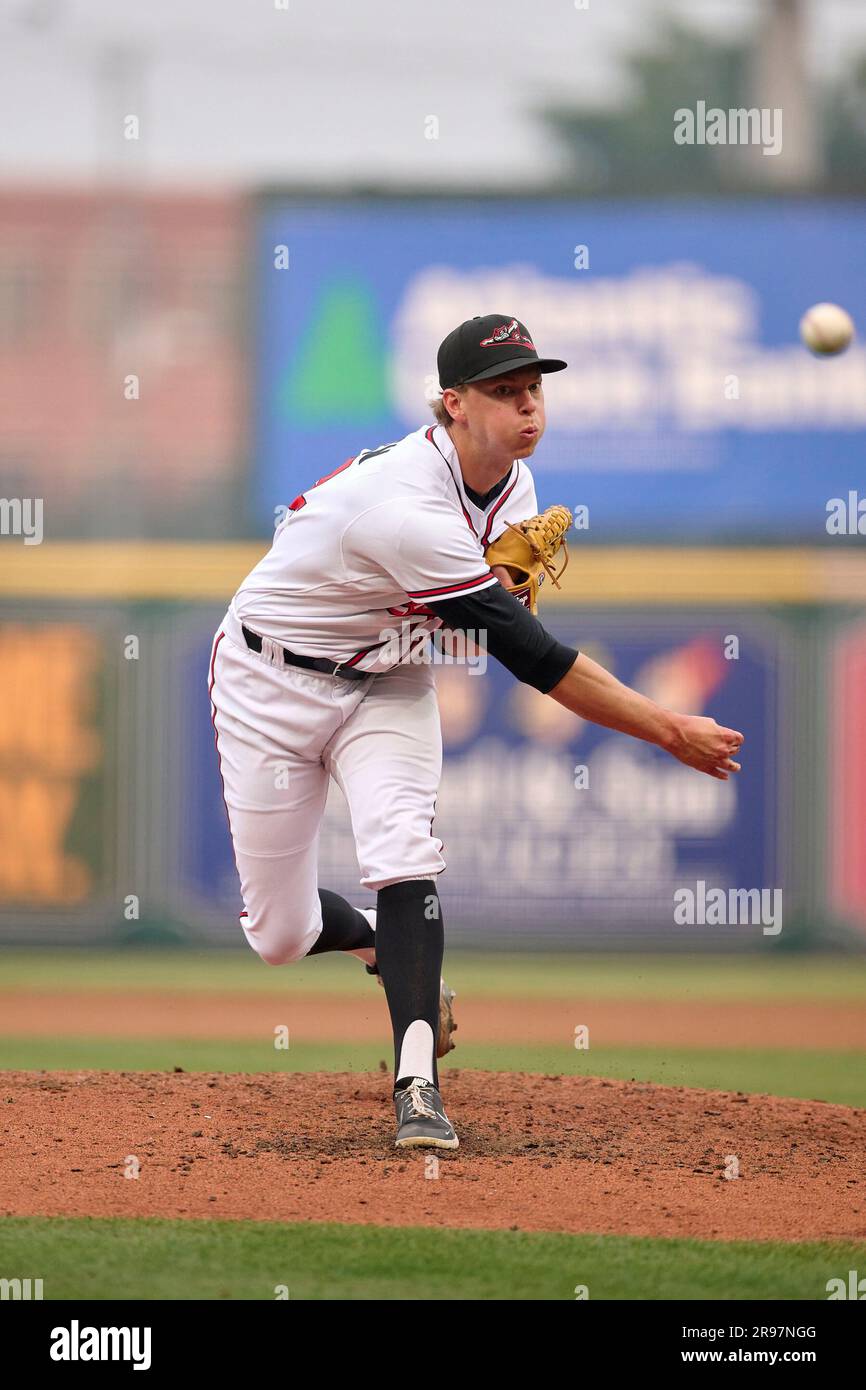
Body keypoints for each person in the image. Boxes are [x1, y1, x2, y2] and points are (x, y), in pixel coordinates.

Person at [208, 314, 744, 1149]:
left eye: (534, 389)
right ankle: (384, 948)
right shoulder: (402, 507)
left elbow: (465, 631)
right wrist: (666, 729)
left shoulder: (515, 485)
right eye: (504, 392)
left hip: (387, 679)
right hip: (267, 680)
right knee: (278, 935)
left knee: (403, 852)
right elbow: (531, 657)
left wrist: (494, 587)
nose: (527, 406)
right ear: (453, 405)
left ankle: (416, 1085)